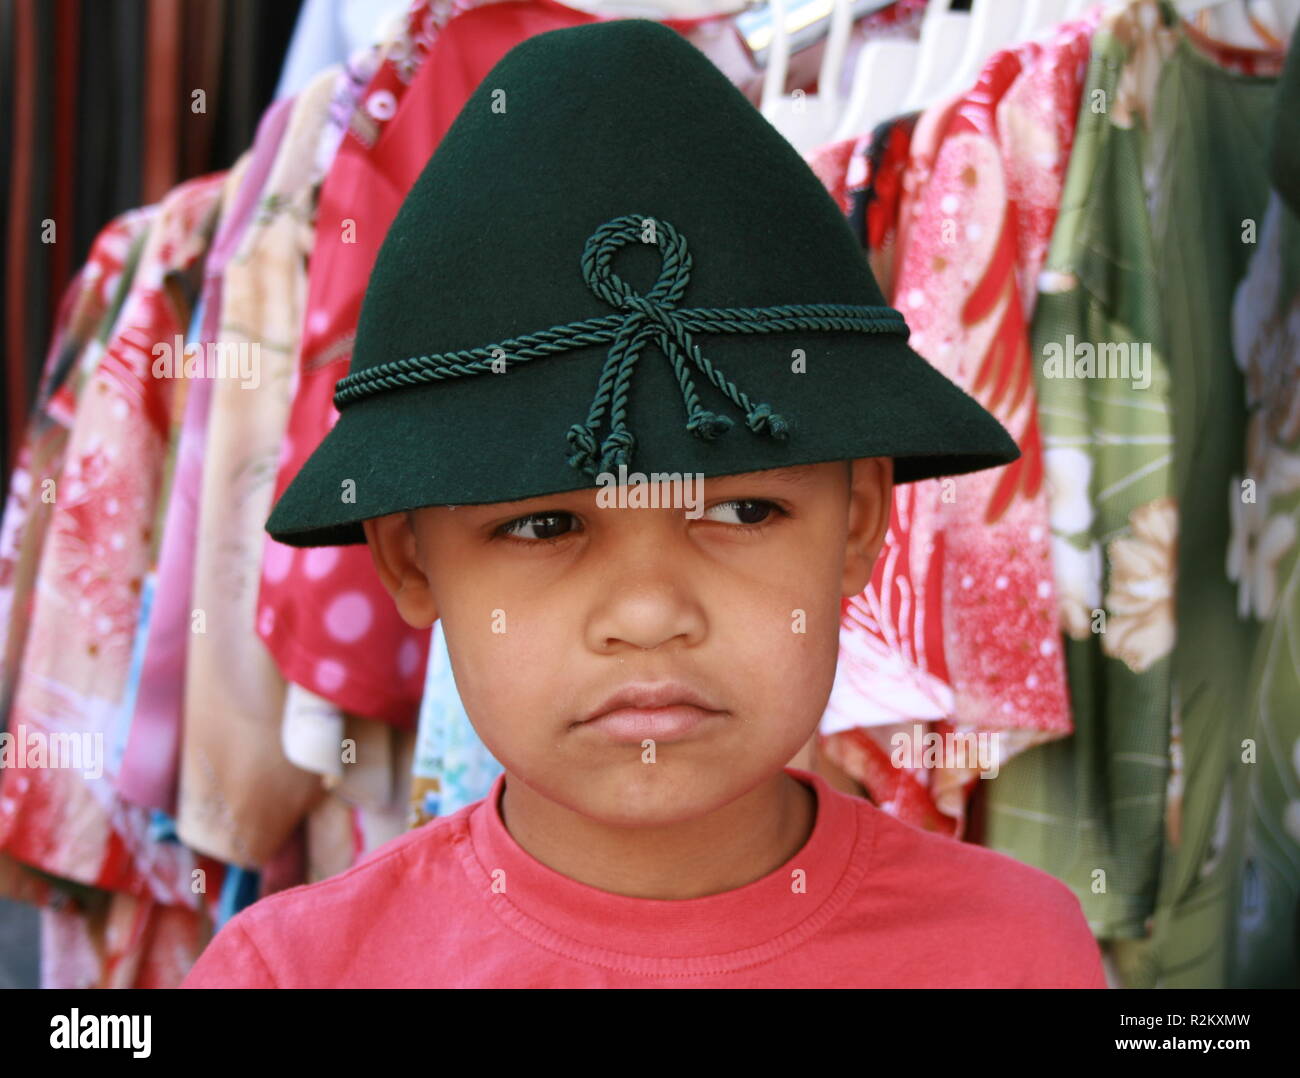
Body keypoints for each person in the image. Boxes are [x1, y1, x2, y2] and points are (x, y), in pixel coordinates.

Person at [182, 17, 1107, 988]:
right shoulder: (287, 976)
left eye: (742, 512)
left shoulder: (1017, 952)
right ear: (409, 558)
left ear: (860, 521)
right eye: (543, 524)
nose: (650, 611)